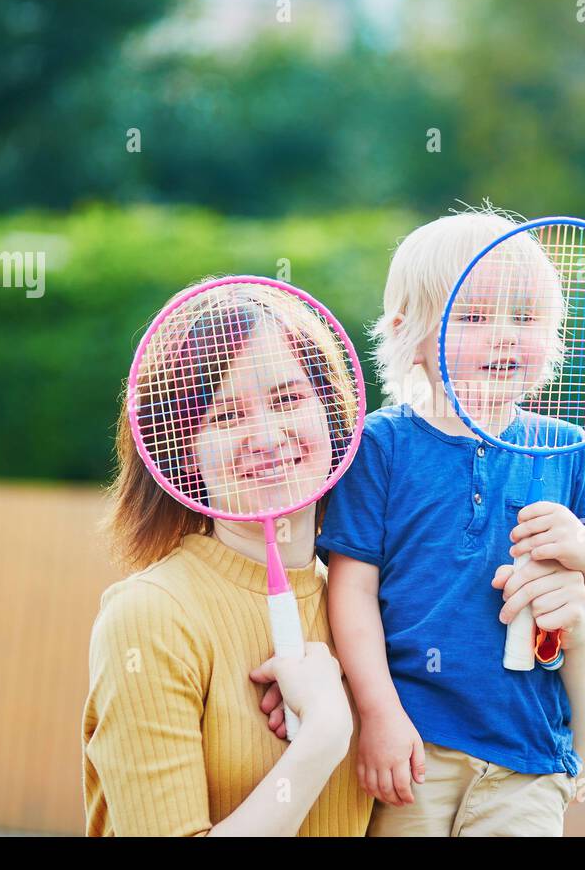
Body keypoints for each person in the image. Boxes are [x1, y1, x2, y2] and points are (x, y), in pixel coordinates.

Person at [318, 208, 585, 836]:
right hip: (413, 744)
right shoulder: (382, 446)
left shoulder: (565, 445)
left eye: (525, 318)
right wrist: (379, 713)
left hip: (528, 753)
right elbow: (349, 591)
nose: (505, 336)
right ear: (410, 333)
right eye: (474, 315)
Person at [82, 281, 371, 836]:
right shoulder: (151, 617)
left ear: (332, 416)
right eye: (224, 415)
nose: (263, 436)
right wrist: (322, 739)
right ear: (182, 448)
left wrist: (562, 637)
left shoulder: (373, 603)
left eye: (287, 399)